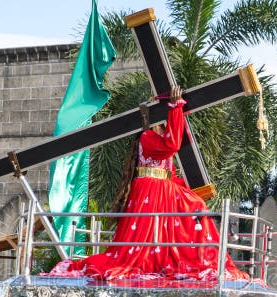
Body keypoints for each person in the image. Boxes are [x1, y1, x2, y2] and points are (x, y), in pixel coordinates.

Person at [49, 85, 247, 282]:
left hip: (164, 189)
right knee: (149, 237)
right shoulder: (147, 136)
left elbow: (170, 168)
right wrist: (176, 108)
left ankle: (198, 258)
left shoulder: (158, 136)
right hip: (150, 191)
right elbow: (172, 145)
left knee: (196, 206)